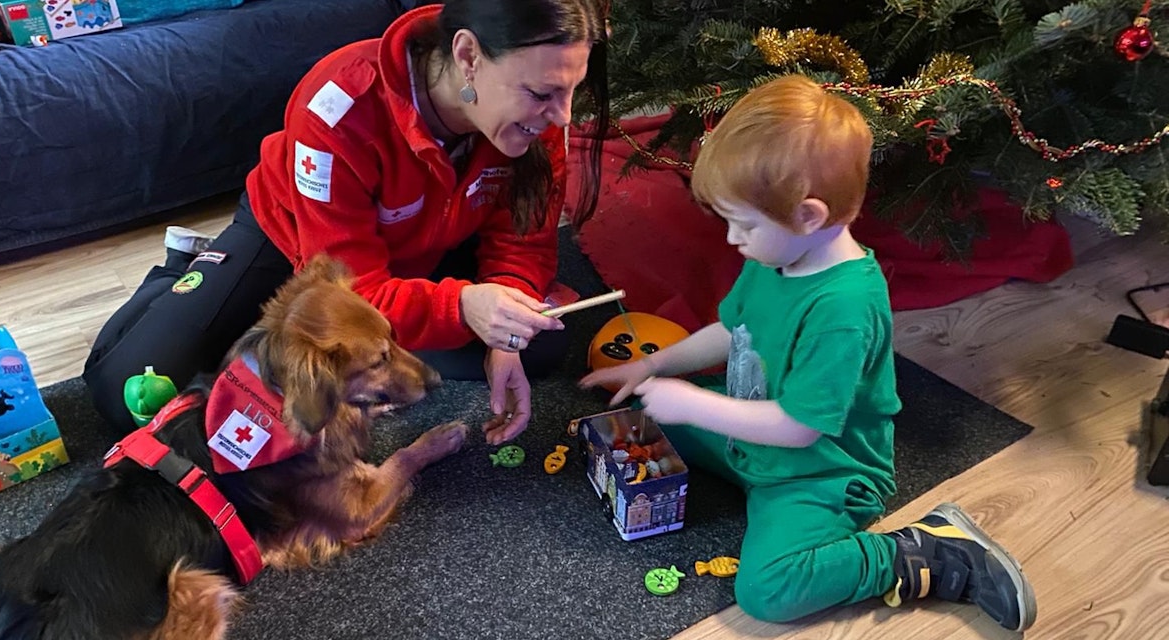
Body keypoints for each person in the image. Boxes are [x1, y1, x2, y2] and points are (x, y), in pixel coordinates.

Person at [579, 75, 1035, 632]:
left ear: (810, 216)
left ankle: (927, 553)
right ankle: (706, 438)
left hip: (817, 469)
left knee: (769, 591)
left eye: (742, 224)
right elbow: (732, 331)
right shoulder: (775, 256)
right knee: (641, 421)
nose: (730, 239)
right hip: (752, 434)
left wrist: (692, 406)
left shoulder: (843, 308)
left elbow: (799, 429)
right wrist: (653, 366)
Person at [84, 0, 611, 443]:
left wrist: (504, 328)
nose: (563, 117)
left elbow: (523, 243)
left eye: (571, 91)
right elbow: (350, 290)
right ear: (468, 55)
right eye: (543, 94)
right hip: (297, 246)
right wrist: (462, 307)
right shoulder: (337, 107)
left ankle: (333, 345)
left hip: (429, 247)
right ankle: (180, 275)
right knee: (128, 391)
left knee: (537, 344)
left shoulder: (535, 119)